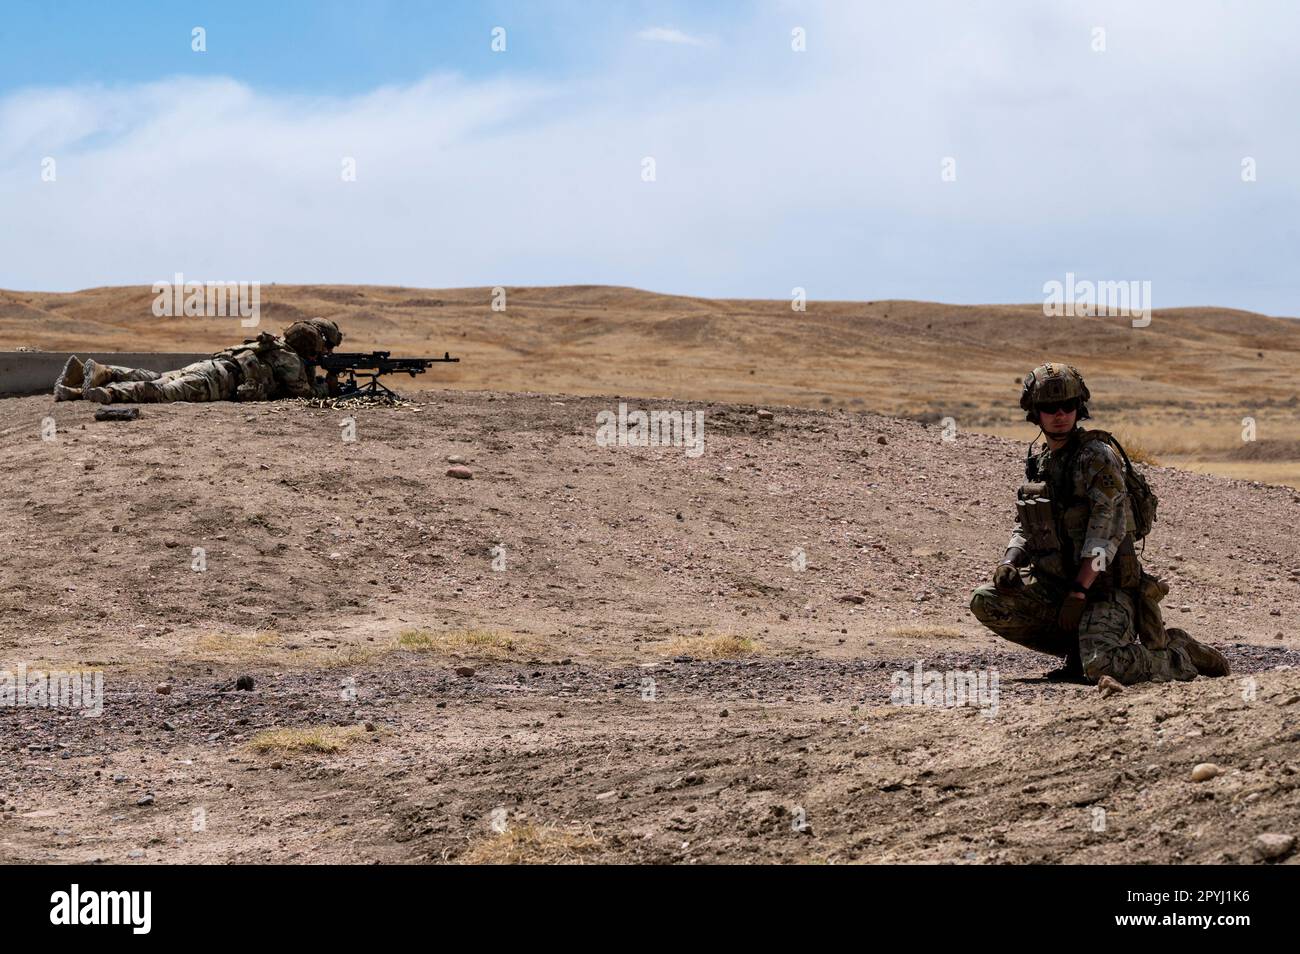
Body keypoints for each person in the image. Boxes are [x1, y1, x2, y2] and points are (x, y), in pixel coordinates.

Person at [969, 362, 1229, 685]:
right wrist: (1009, 562)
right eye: (1050, 407)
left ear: (1080, 408)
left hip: (1107, 591)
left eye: (1068, 406)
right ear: (1035, 413)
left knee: (1102, 666)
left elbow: (1107, 531)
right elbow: (1027, 524)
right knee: (986, 601)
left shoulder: (1097, 457)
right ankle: (1079, 650)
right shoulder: (1041, 464)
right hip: (1059, 589)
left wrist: (1079, 591)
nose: (1060, 414)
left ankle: (1178, 654)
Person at [52, 318, 343, 404]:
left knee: (158, 378)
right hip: (215, 383)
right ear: (314, 344)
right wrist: (327, 386)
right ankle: (111, 392)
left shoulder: (271, 346)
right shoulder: (291, 361)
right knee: (161, 391)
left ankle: (90, 379)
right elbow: (303, 394)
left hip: (209, 367)